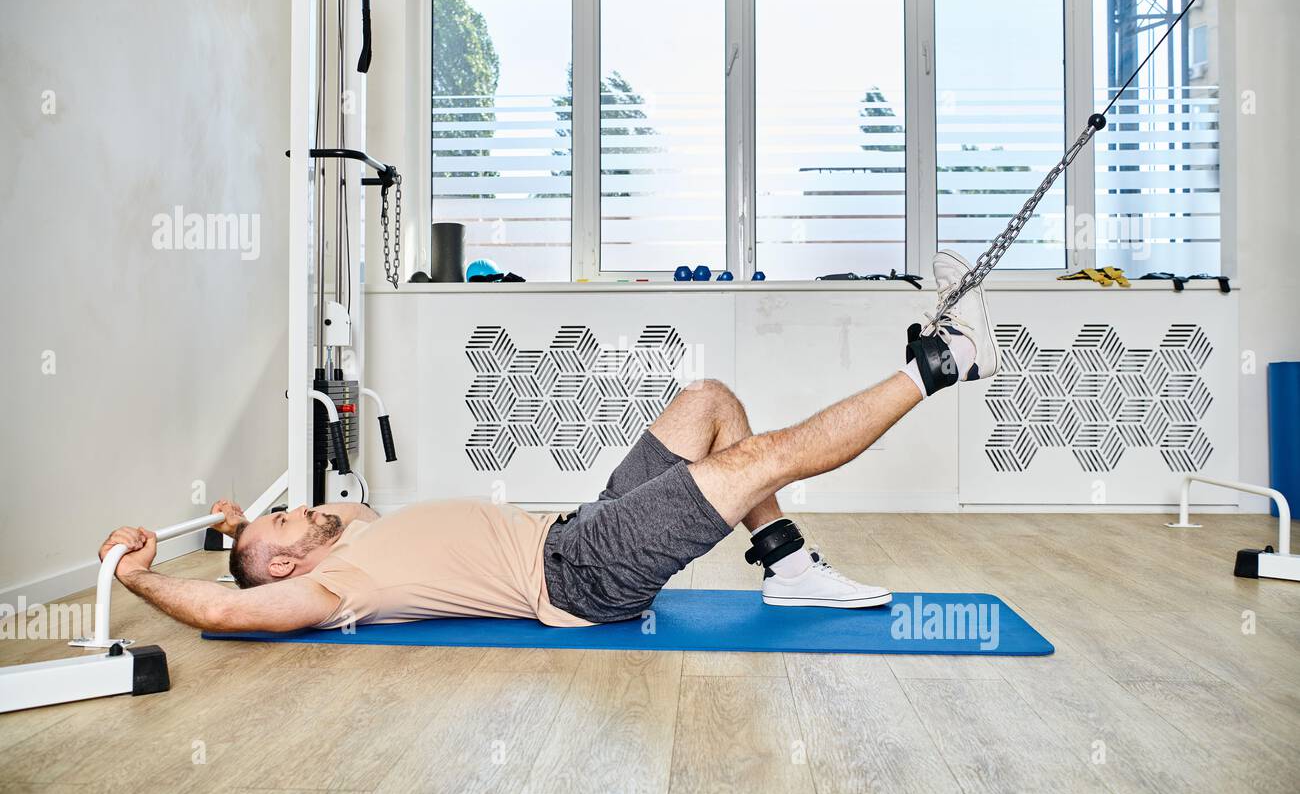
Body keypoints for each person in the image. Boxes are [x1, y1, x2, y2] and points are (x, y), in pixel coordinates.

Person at [99, 251, 998, 633]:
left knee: (710, 401)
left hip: (577, 526)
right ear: (290, 569)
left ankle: (788, 566)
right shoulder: (329, 590)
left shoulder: (345, 529)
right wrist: (140, 576)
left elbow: (307, 523)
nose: (298, 510)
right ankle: (940, 364)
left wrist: (228, 529)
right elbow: (226, 610)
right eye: (282, 525)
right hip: (576, 577)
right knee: (757, 458)